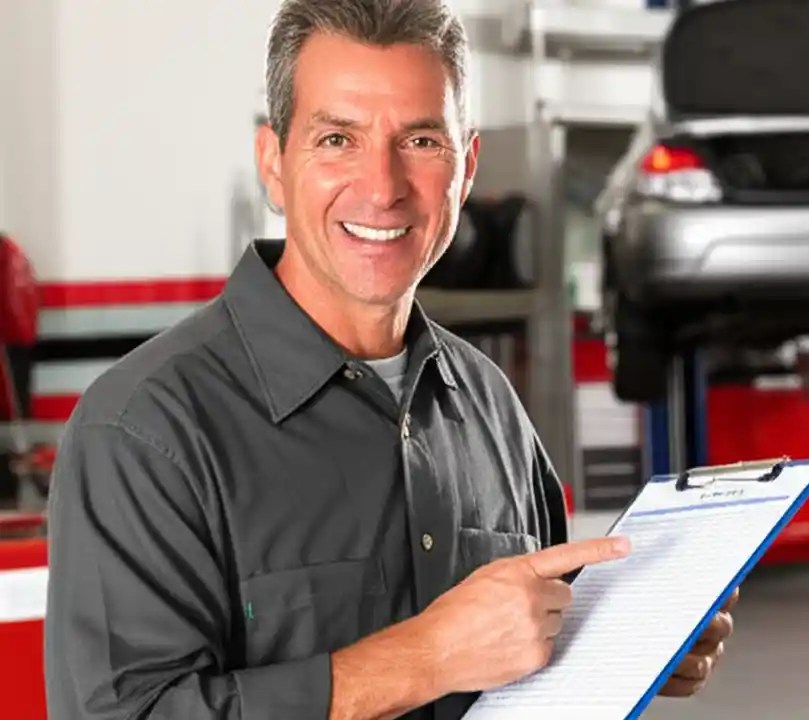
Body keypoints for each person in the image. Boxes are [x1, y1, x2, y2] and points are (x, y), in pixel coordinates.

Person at [43, 1, 736, 718]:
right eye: (337, 138)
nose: (382, 187)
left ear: (465, 169)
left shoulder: (489, 406)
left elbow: (533, 665)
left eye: (421, 141)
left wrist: (626, 640)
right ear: (274, 165)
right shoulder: (145, 432)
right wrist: (427, 658)